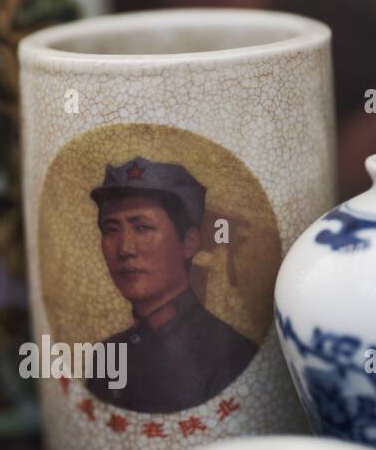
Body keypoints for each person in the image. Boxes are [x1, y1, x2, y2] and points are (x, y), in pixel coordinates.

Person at [86, 157, 258, 414]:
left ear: (189, 242)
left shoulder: (231, 355)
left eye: (142, 227)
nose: (125, 249)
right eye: (111, 229)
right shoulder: (107, 354)